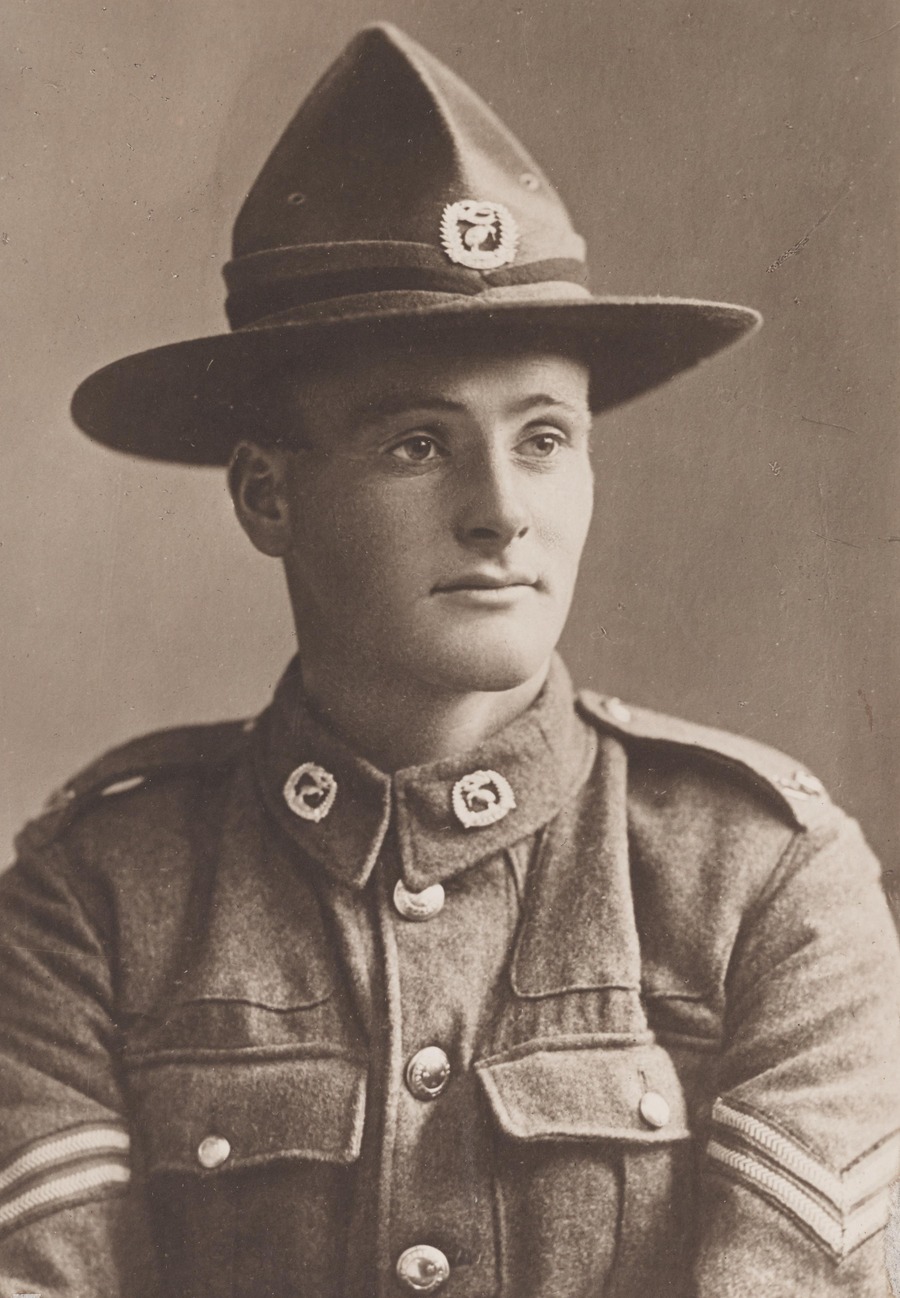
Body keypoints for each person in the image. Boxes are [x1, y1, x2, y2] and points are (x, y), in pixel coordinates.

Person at [1, 23, 898, 1298]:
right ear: (267, 497)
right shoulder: (97, 899)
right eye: (417, 444)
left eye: (543, 439)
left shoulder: (761, 880)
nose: (500, 511)